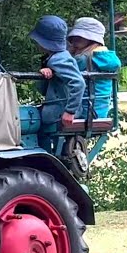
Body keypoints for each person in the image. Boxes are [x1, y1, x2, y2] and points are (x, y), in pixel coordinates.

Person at [30, 15, 85, 151]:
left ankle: (44, 157)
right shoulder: (57, 58)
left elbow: (78, 83)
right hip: (58, 108)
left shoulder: (57, 60)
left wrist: (70, 111)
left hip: (59, 111)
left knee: (32, 125)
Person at [67, 17, 122, 120]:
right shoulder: (107, 58)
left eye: (81, 36)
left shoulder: (83, 59)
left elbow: (63, 77)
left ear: (92, 40)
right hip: (100, 112)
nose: (75, 39)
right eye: (75, 36)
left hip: (83, 111)